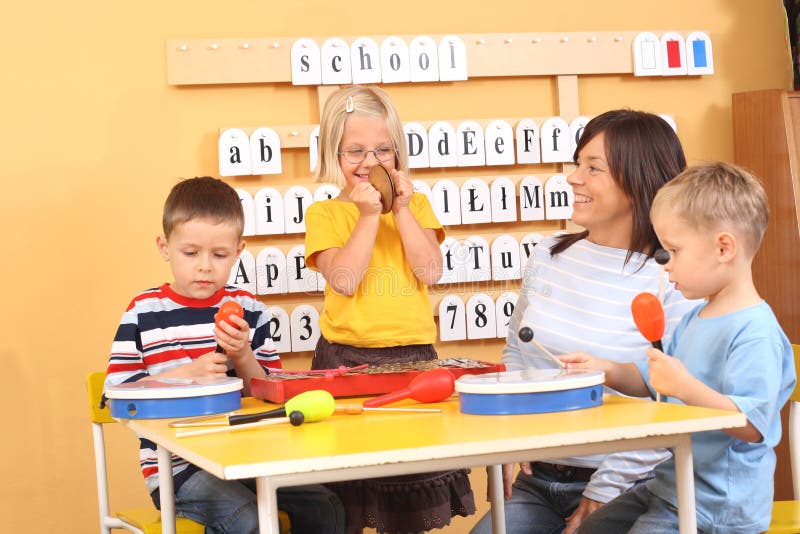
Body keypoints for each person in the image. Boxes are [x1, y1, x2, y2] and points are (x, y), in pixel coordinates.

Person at [471, 109, 701, 534]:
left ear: (638, 183)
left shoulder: (673, 276)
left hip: (635, 486)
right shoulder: (549, 253)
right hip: (538, 481)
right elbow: (515, 353)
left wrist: (605, 487)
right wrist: (504, 444)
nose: (573, 177)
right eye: (578, 163)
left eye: (592, 168)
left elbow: (676, 402)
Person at [105, 176, 345, 534]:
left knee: (326, 507)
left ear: (238, 250)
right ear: (164, 246)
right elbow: (117, 393)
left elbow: (268, 393)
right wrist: (189, 373)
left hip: (245, 455)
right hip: (177, 468)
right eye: (191, 253)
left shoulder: (249, 309)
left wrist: (243, 354)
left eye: (219, 255)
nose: (205, 266)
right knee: (246, 519)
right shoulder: (143, 312)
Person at [567, 162, 795, 534]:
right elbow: (651, 378)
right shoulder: (696, 318)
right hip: (672, 483)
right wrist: (605, 368)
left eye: (673, 251)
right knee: (593, 528)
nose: (665, 265)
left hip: (717, 504)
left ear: (724, 248)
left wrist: (685, 387)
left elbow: (753, 424)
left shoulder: (755, 333)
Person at [304, 84, 475, 533]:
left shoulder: (415, 206)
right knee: (351, 492)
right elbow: (345, 279)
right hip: (346, 362)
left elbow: (431, 271)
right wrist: (366, 217)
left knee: (406, 490)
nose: (369, 163)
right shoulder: (325, 215)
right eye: (354, 152)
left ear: (398, 153)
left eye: (383, 150)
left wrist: (399, 211)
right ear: (332, 155)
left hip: (414, 359)